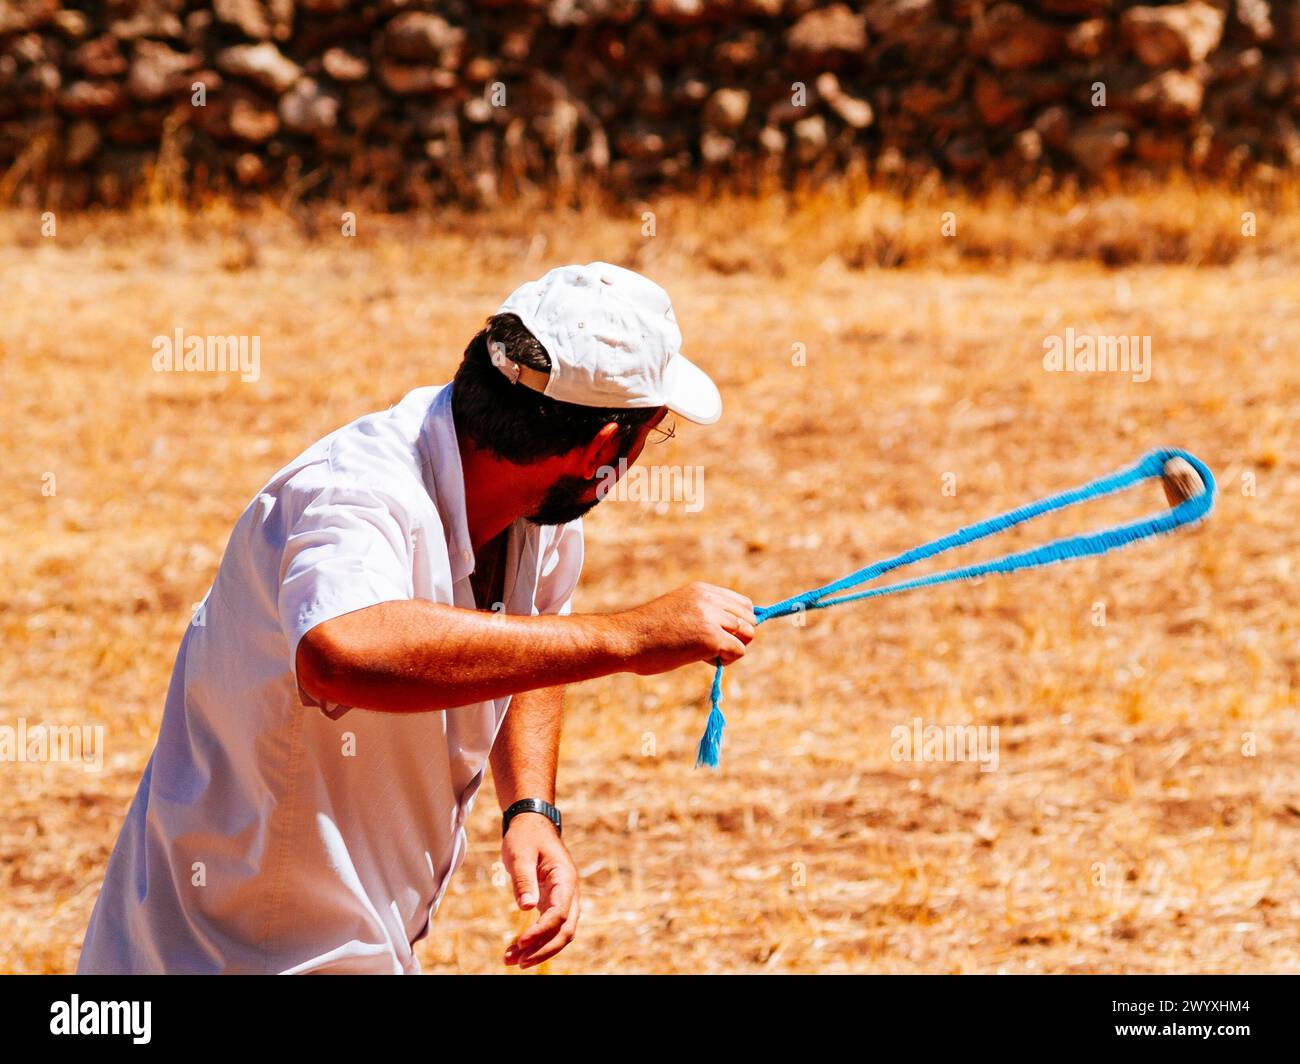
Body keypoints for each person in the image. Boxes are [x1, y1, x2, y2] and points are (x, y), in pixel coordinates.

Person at [78, 262, 756, 974]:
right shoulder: (352, 493)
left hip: (354, 934)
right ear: (599, 449)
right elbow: (341, 650)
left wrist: (530, 808)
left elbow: (529, 646)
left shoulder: (535, 508)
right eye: (653, 434)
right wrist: (627, 638)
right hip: (228, 947)